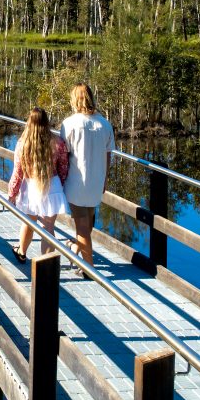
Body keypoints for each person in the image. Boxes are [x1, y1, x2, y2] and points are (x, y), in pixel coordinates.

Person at [60, 83, 114, 268]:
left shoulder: (69, 124)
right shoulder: (105, 124)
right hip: (96, 181)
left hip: (76, 181)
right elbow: (108, 155)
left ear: (75, 100)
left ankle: (88, 269)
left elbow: (63, 154)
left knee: (83, 228)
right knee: (88, 222)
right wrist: (104, 179)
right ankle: (76, 251)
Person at [7, 107, 69, 263]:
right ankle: (46, 264)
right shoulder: (58, 142)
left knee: (29, 222)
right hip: (52, 185)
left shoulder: (23, 143)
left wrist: (12, 192)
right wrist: (59, 185)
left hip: (30, 187)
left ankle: (21, 252)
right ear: (46, 122)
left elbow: (18, 172)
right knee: (49, 227)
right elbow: (64, 168)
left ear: (29, 122)